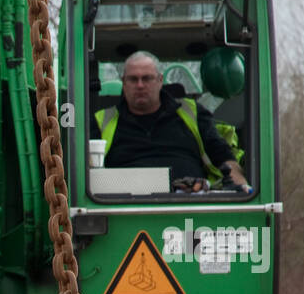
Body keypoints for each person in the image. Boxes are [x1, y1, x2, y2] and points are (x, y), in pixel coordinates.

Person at [94, 51, 249, 192]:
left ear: (160, 80)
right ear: (124, 83)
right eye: (133, 79)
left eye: (147, 78)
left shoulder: (193, 112)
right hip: (118, 208)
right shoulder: (101, 121)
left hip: (192, 207)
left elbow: (223, 157)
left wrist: (241, 189)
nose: (140, 85)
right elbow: (86, 170)